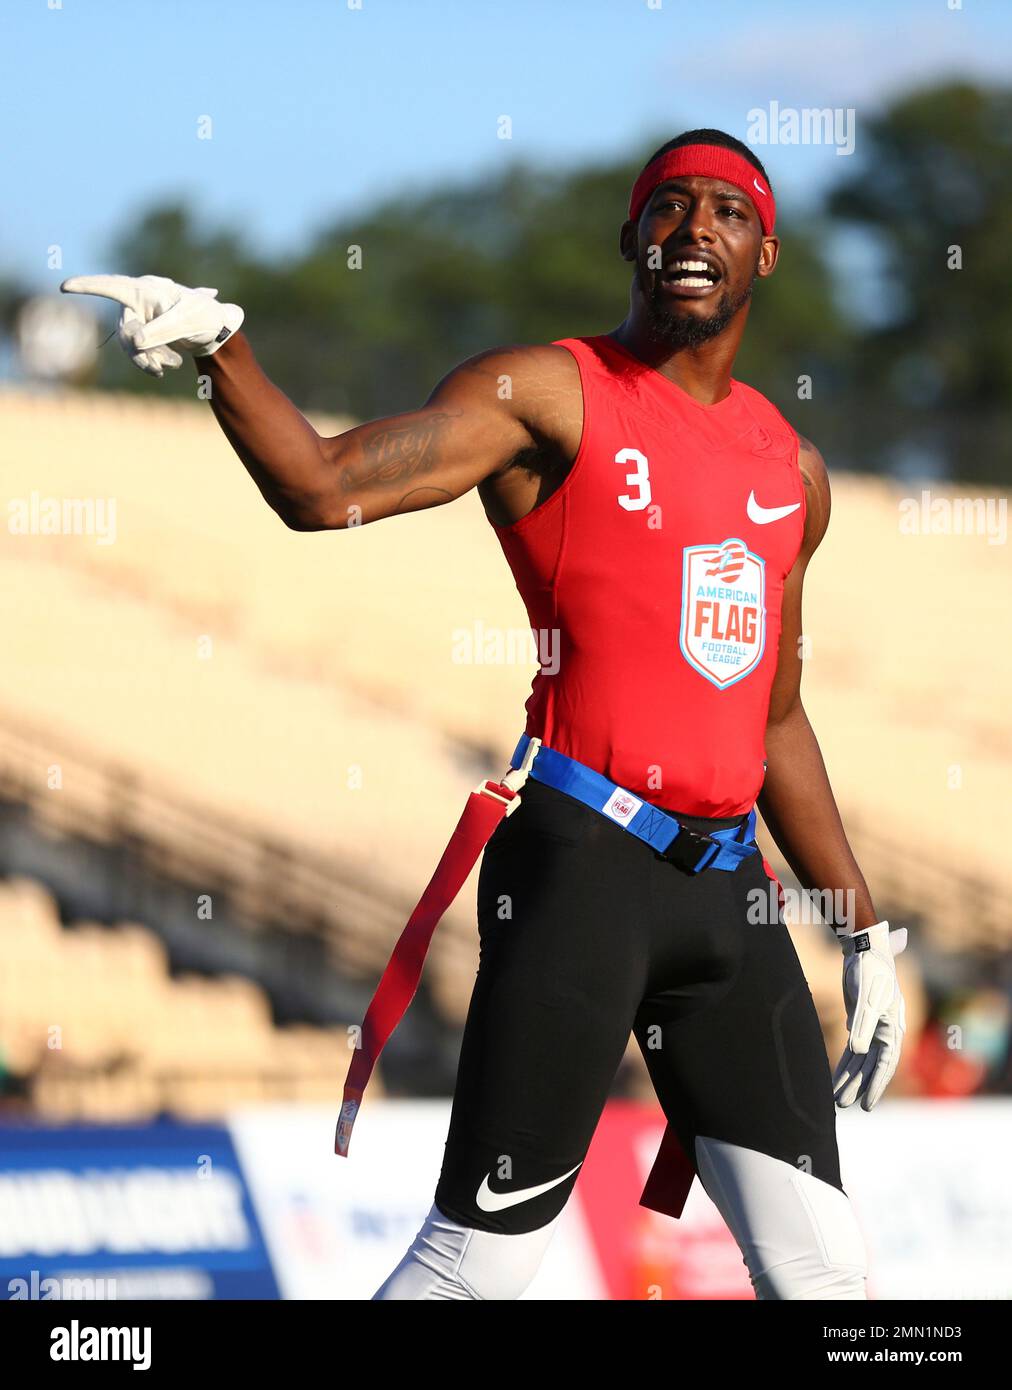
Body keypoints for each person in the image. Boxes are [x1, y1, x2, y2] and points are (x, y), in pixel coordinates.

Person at [62, 128, 907, 1301]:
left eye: (726, 210)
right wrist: (226, 351)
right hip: (583, 871)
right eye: (667, 206)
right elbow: (322, 487)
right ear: (630, 237)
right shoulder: (548, 392)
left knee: (830, 1276)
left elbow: (772, 722)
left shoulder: (790, 467)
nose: (694, 228)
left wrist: (860, 929)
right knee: (476, 1266)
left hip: (734, 894)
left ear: (765, 252)